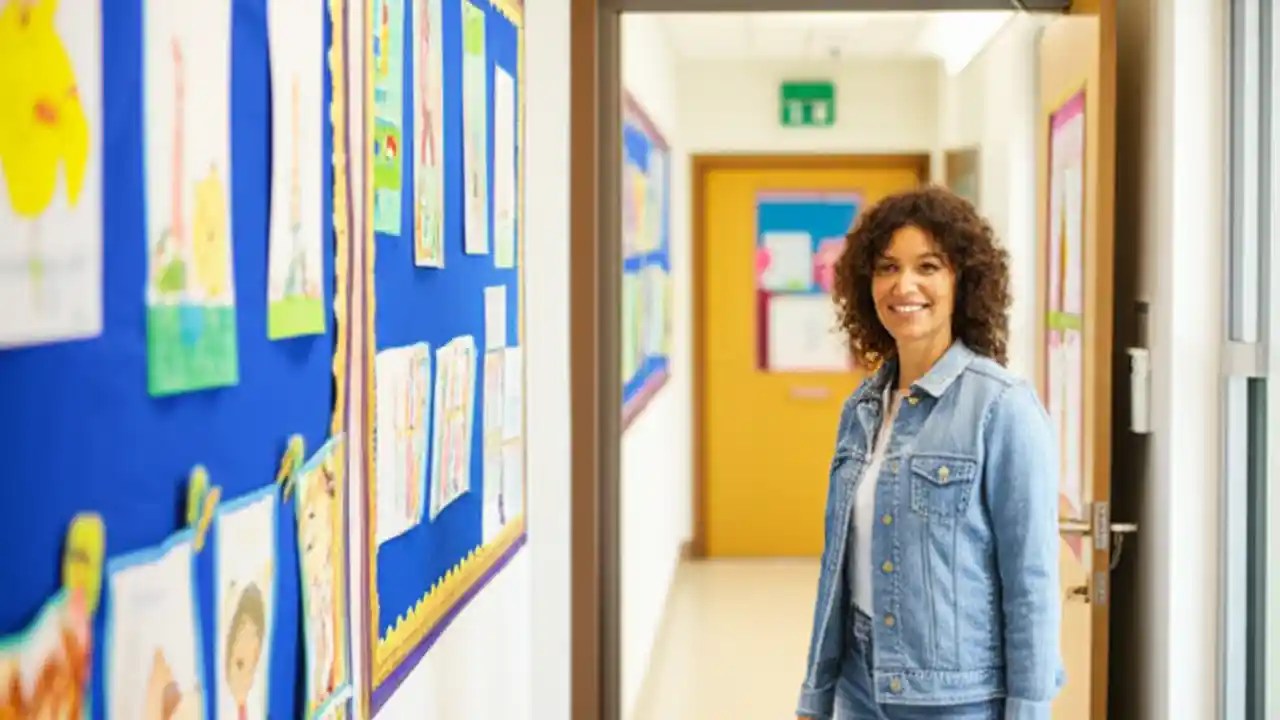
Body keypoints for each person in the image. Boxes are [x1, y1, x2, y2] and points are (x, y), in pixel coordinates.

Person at [796, 186, 1063, 720]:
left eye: (928, 266)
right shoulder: (862, 407)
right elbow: (838, 567)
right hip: (858, 683)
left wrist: (1028, 713)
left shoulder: (1002, 406)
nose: (904, 285)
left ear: (963, 280)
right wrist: (816, 692)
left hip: (955, 698)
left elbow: (1031, 583)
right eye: (887, 267)